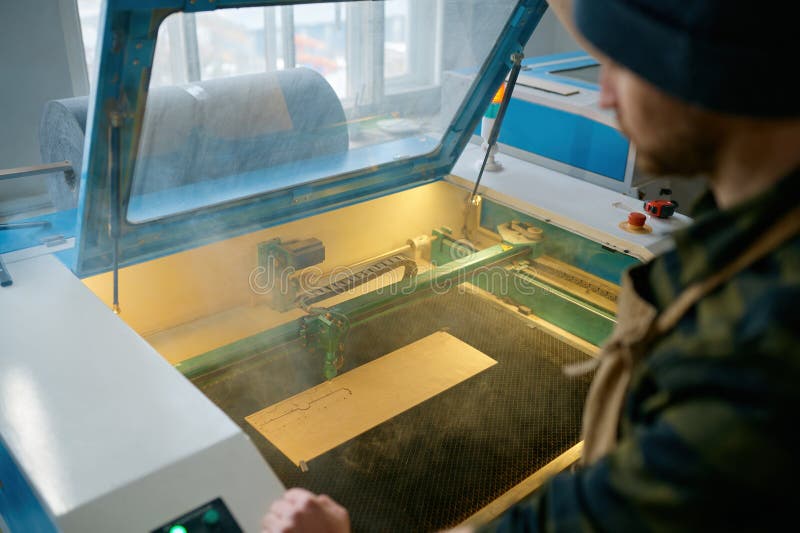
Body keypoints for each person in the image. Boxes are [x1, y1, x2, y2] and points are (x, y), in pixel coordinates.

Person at [262, 0, 800, 531]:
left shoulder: (762, 343)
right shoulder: (748, 231)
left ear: (705, 68)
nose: (605, 94)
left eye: (621, 64)